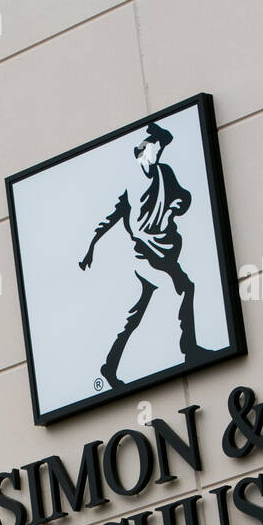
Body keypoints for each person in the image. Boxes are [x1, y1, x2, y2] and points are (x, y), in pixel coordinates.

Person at [79, 122, 211, 389]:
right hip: (142, 256)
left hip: (165, 251)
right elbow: (110, 218)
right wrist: (91, 246)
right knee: (184, 288)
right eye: (153, 148)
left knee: (135, 315)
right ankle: (189, 348)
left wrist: (174, 208)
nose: (157, 152)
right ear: (141, 153)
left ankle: (109, 365)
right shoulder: (130, 186)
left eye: (158, 148)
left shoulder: (165, 173)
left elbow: (183, 197)